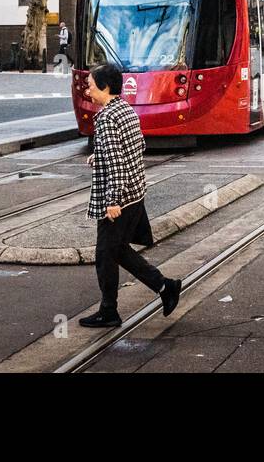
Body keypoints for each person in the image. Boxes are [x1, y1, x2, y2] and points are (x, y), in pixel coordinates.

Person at [79, 62, 182, 328]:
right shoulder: (126, 110)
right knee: (118, 251)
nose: (87, 90)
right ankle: (165, 287)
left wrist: (113, 200)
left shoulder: (106, 118)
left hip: (120, 200)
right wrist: (98, 156)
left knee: (105, 254)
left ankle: (109, 311)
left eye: (90, 85)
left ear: (104, 87)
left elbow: (116, 164)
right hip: (135, 193)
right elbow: (135, 147)